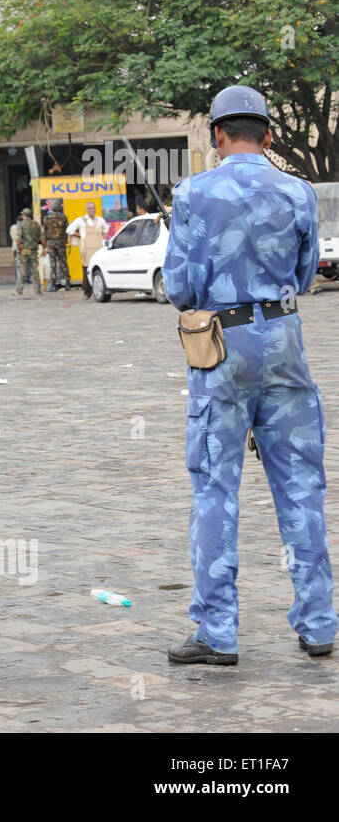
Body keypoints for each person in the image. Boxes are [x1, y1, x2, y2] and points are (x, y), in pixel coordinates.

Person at [162, 85, 336, 666]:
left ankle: (217, 631)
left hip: (221, 346)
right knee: (302, 487)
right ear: (267, 136)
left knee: (215, 488)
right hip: (285, 340)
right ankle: (318, 624)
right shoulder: (298, 191)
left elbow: (181, 287)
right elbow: (308, 272)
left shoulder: (191, 192)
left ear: (216, 135)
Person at [67, 201, 110, 299]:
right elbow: (69, 230)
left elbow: (106, 228)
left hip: (98, 249)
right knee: (87, 270)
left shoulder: (100, 220)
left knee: (99, 269)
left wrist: (103, 234)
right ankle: (87, 292)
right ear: (86, 210)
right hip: (86, 249)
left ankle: (101, 290)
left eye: (93, 208)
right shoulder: (80, 220)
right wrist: (81, 235)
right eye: (89, 209)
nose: (92, 210)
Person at [13, 208, 43, 296]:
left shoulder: (21, 224)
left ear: (24, 215)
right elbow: (42, 238)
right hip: (34, 250)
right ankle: (38, 290)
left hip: (23, 251)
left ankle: (19, 291)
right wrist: (44, 248)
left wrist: (18, 248)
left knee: (21, 271)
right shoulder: (37, 224)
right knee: (35, 271)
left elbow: (18, 238)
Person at [42, 199, 70, 291]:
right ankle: (67, 283)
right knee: (63, 262)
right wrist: (65, 239)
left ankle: (53, 284)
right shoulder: (64, 217)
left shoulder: (46, 218)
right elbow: (67, 230)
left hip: (50, 243)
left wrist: (45, 245)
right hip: (61, 242)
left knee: (52, 262)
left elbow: (45, 233)